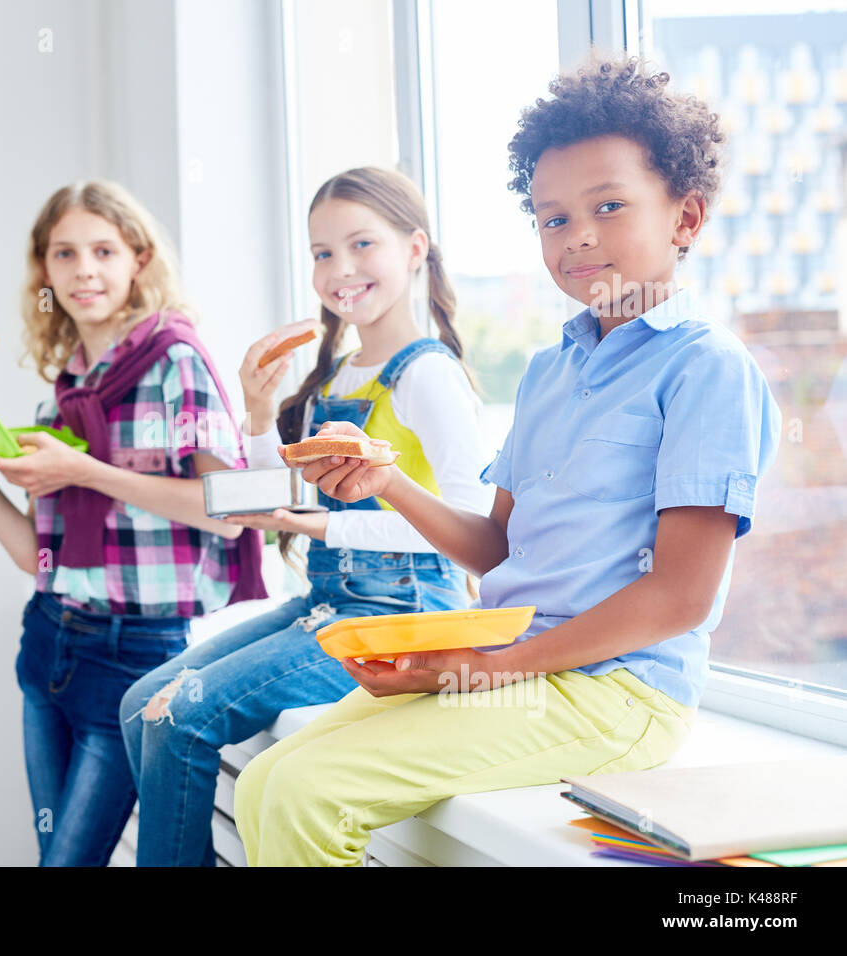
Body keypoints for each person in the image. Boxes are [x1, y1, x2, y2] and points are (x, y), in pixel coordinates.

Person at [233, 56, 782, 866]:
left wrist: (495, 669)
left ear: (686, 218)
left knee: (311, 792)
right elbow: (499, 550)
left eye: (609, 206)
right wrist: (390, 484)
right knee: (262, 784)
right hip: (522, 661)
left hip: (619, 692)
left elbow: (678, 599)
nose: (579, 236)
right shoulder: (548, 372)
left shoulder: (708, 368)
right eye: (553, 218)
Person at [119, 167, 490, 866]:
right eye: (322, 252)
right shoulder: (342, 372)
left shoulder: (427, 375)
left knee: (177, 721)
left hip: (399, 614)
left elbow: (467, 525)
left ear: (415, 250)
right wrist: (258, 410)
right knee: (143, 705)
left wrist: (317, 526)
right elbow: (282, 499)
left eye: (360, 245)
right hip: (325, 603)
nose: (339, 269)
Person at [0, 179, 264, 866]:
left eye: (103, 250)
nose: (84, 270)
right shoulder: (67, 394)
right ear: (43, 271)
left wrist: (85, 473)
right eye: (64, 254)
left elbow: (231, 514)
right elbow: (30, 553)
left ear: (138, 258)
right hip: (48, 645)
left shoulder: (175, 363)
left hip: (136, 656)